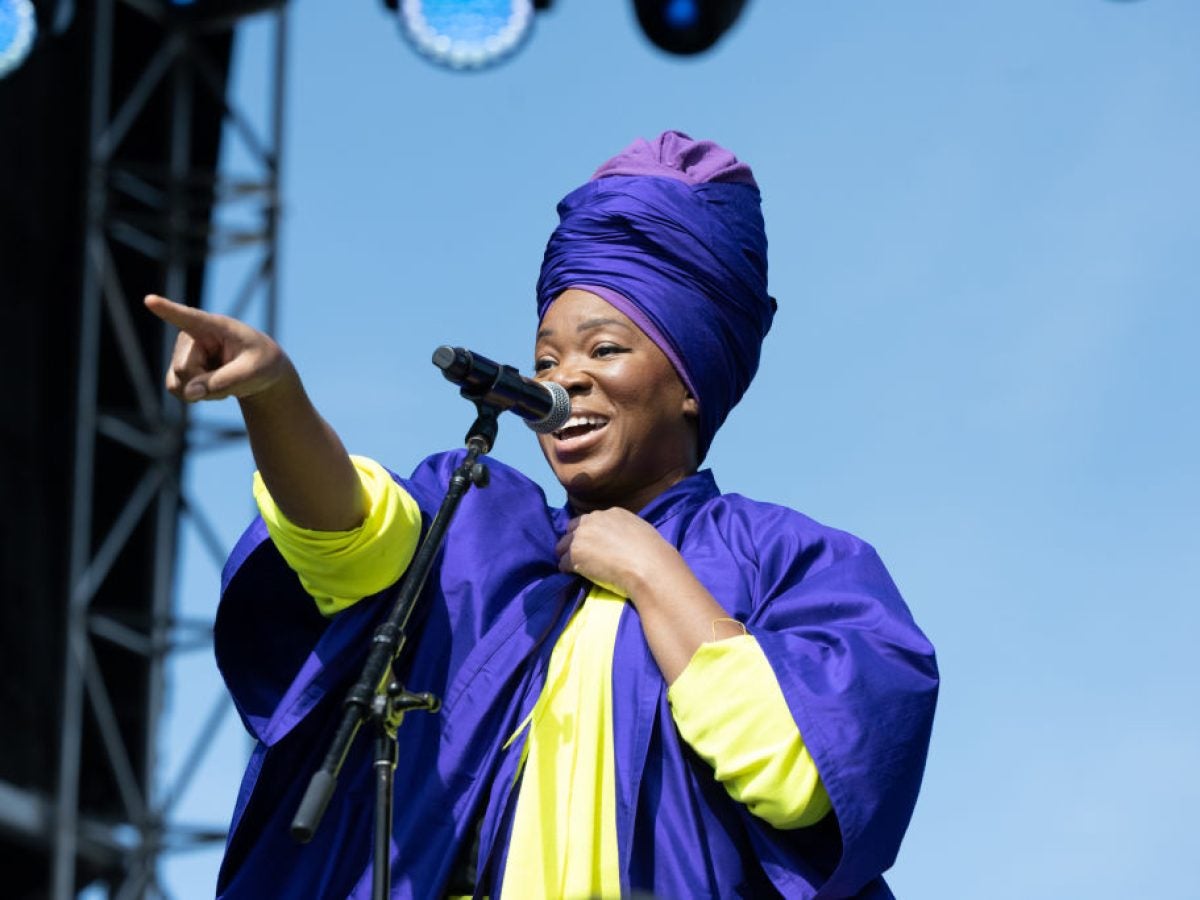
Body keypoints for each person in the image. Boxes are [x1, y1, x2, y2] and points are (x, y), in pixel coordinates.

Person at [147, 131, 938, 899]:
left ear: (690, 376)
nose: (569, 380)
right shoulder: (477, 530)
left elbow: (804, 774)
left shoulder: (795, 561)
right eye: (548, 361)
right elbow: (341, 531)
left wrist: (652, 573)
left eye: (605, 350)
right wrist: (274, 393)